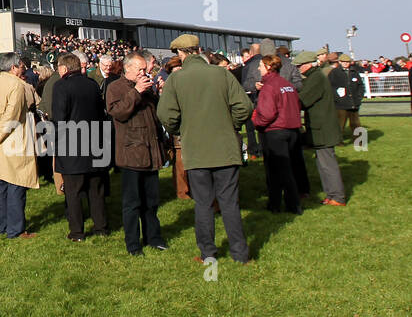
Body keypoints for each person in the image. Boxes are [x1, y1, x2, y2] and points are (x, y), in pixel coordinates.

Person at [156, 35, 253, 264]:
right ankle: (241, 255)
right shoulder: (221, 73)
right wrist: (232, 125)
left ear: (180, 54)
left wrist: (181, 129)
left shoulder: (177, 80)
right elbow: (245, 107)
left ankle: (208, 253)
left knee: (203, 204)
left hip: (197, 151)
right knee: (230, 203)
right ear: (198, 50)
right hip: (226, 148)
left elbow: (165, 115)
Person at [105, 53, 167, 255]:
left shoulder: (146, 87)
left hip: (150, 151)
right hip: (131, 153)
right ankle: (133, 244)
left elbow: (155, 116)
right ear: (128, 68)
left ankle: (153, 238)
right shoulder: (116, 87)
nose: (144, 72)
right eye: (140, 69)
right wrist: (137, 92)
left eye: (144, 69)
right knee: (132, 203)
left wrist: (156, 92)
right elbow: (118, 113)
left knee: (151, 201)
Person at [0, 52, 40, 240]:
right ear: (13, 67)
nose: (23, 69)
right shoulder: (17, 86)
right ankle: (16, 230)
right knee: (16, 184)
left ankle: (1, 227)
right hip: (13, 141)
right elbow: (12, 115)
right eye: (21, 66)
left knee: (1, 185)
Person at [51, 53, 109, 240]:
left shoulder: (61, 86)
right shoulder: (92, 84)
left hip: (72, 145)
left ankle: (77, 231)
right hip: (94, 143)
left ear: (64, 68)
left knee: (73, 191)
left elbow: (59, 117)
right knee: (96, 189)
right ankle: (101, 227)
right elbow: (101, 113)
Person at [250, 54, 303, 215]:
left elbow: (266, 113)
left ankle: (285, 205)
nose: (258, 68)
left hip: (275, 131)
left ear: (267, 67)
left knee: (277, 170)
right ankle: (285, 203)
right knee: (289, 168)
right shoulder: (286, 84)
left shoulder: (269, 86)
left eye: (260, 65)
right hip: (292, 129)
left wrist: (255, 121)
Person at [296, 51, 346, 206]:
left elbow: (303, 100)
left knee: (327, 164)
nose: (297, 69)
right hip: (321, 127)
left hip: (323, 128)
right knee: (323, 164)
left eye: (299, 66)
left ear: (306, 65)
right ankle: (331, 195)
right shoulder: (315, 77)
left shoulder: (316, 78)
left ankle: (337, 197)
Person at [330, 54, 364, 142]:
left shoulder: (354, 72)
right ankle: (338, 141)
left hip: (354, 103)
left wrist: (359, 97)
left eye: (347, 62)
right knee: (340, 124)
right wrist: (337, 98)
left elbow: (360, 85)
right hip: (341, 104)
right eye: (343, 62)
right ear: (340, 62)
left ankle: (359, 142)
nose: (345, 64)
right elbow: (331, 87)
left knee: (356, 124)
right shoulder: (334, 72)